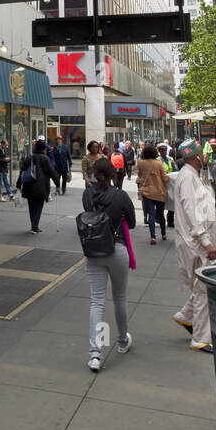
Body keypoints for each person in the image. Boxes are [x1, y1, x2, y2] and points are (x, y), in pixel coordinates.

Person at [81, 156, 136, 371]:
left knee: (97, 301)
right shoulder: (120, 196)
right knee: (119, 298)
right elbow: (131, 223)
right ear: (112, 174)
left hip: (94, 251)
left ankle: (96, 353)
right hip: (117, 249)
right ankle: (122, 340)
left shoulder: (87, 195)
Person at [172, 138, 216, 353]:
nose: (206, 156)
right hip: (197, 244)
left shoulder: (191, 176)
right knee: (204, 290)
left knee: (204, 285)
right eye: (203, 152)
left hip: (197, 241)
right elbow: (193, 213)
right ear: (196, 156)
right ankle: (200, 338)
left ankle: (185, 315)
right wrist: (206, 242)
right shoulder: (188, 178)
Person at [16, 139, 59, 233]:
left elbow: (22, 170)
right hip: (41, 186)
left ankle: (34, 225)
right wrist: (57, 184)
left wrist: (19, 184)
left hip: (29, 185)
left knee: (31, 207)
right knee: (39, 206)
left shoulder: (29, 157)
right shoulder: (45, 158)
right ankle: (34, 226)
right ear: (44, 149)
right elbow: (52, 172)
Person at [136, 142, 168, 244]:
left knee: (151, 214)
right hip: (159, 191)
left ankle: (153, 237)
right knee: (161, 214)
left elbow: (140, 176)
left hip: (147, 192)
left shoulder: (141, 163)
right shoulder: (159, 163)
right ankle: (163, 234)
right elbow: (165, 178)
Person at [158, 142, 176, 229]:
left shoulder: (171, 159)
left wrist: (174, 166)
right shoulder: (157, 160)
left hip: (170, 182)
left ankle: (170, 221)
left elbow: (176, 169)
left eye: (165, 150)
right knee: (161, 202)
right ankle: (160, 218)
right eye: (162, 150)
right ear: (159, 151)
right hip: (161, 183)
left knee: (171, 201)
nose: (164, 152)